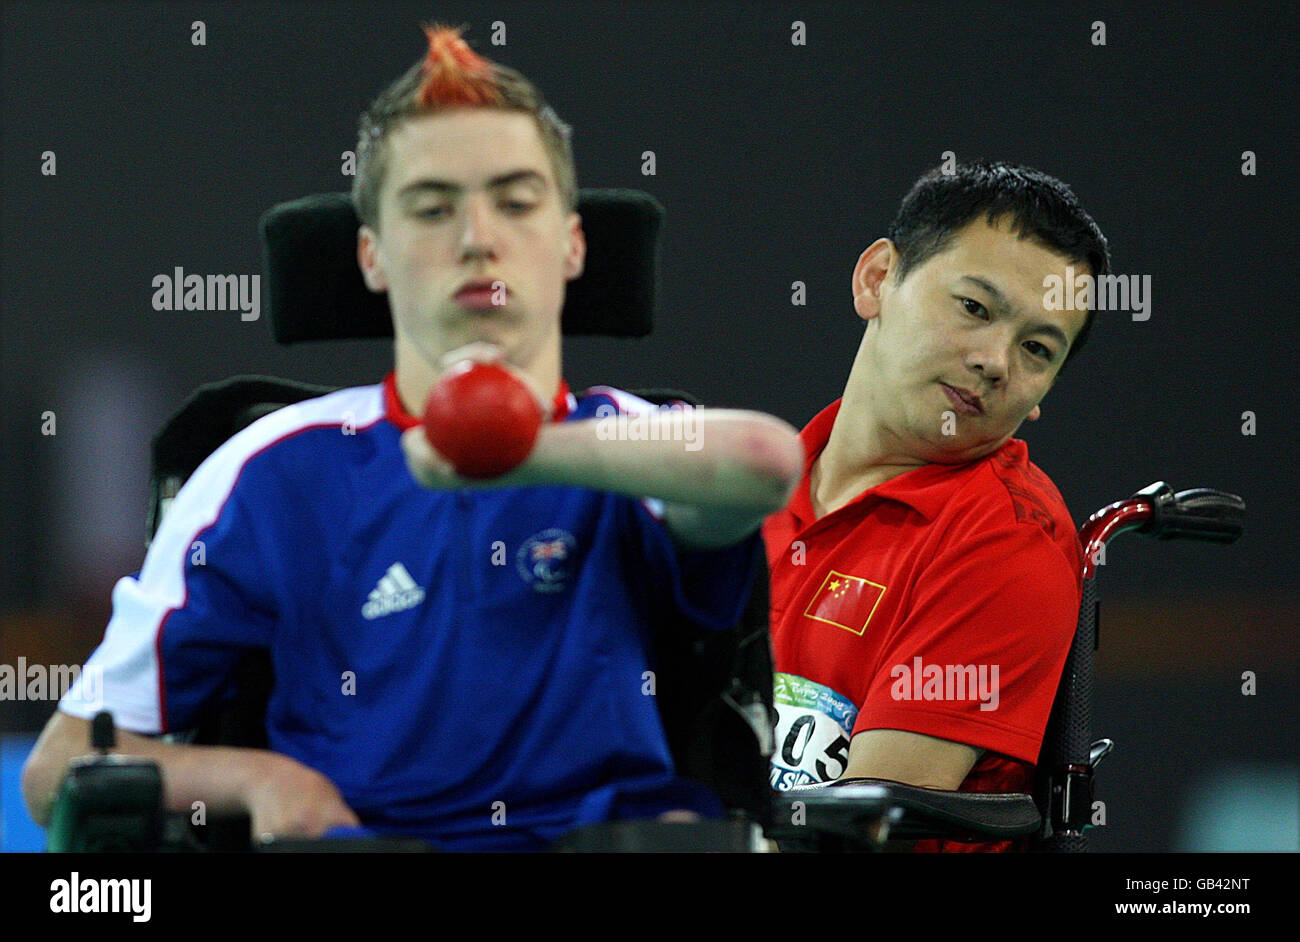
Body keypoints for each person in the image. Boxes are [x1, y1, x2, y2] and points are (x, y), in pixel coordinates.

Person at [22, 25, 803, 852]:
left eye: (516, 200)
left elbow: (769, 462)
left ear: (573, 242)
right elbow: (56, 769)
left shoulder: (629, 446)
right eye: (432, 207)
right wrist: (263, 778)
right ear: (372, 256)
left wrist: (520, 451)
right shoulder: (266, 470)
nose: (476, 238)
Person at [763, 161, 1110, 851]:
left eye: (1037, 349)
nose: (995, 362)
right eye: (975, 309)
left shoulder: (1007, 546)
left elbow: (848, 839)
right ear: (876, 280)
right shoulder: (746, 490)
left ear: (1041, 395)